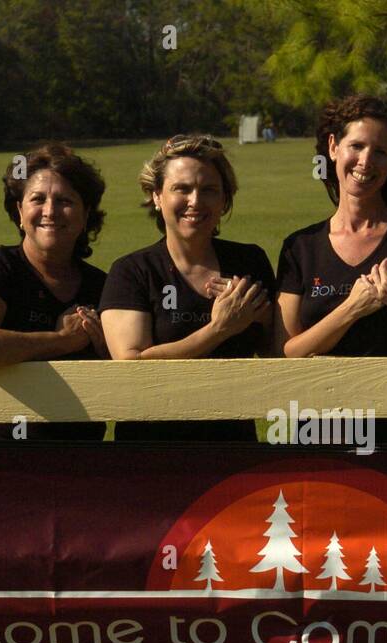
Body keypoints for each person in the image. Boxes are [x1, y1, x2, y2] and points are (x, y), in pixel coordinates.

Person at [276, 95, 387, 446]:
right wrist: (352, 308)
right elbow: (287, 353)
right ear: (333, 148)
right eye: (356, 146)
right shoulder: (301, 247)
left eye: (380, 152)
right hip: (318, 428)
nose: (365, 161)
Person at [101, 133, 272, 442]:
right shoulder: (131, 271)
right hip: (151, 452)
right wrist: (219, 328)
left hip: (235, 448)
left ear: (224, 200)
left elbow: (276, 348)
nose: (195, 201)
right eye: (182, 189)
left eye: (209, 190)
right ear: (156, 196)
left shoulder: (249, 261)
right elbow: (132, 365)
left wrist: (262, 315)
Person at [0, 142, 109, 440]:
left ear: (86, 214)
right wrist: (62, 340)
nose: (50, 211)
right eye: (37, 199)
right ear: (20, 211)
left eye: (65, 200)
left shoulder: (102, 286)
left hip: (81, 461)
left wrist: (105, 351)